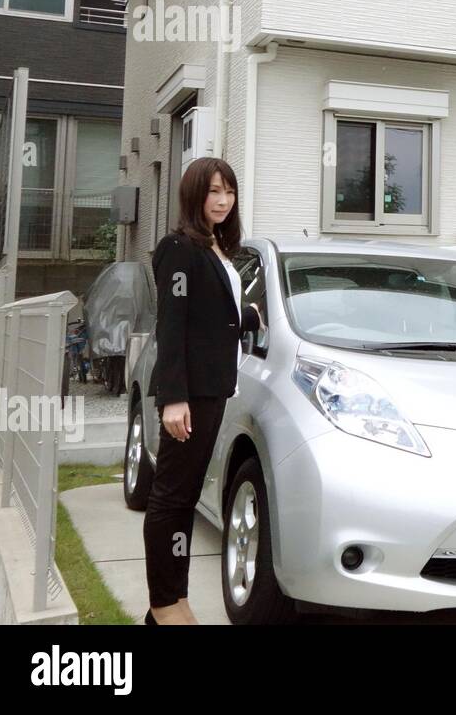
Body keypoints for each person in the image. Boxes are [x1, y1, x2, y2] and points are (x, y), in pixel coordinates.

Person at [142, 156, 260, 625]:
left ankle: (175, 602)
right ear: (194, 194)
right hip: (188, 395)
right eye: (213, 191)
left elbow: (215, 313)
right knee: (171, 497)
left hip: (212, 391)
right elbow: (173, 323)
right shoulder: (179, 248)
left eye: (229, 191)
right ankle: (165, 605)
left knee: (186, 497)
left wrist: (248, 317)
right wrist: (173, 397)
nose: (223, 200)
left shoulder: (216, 249)